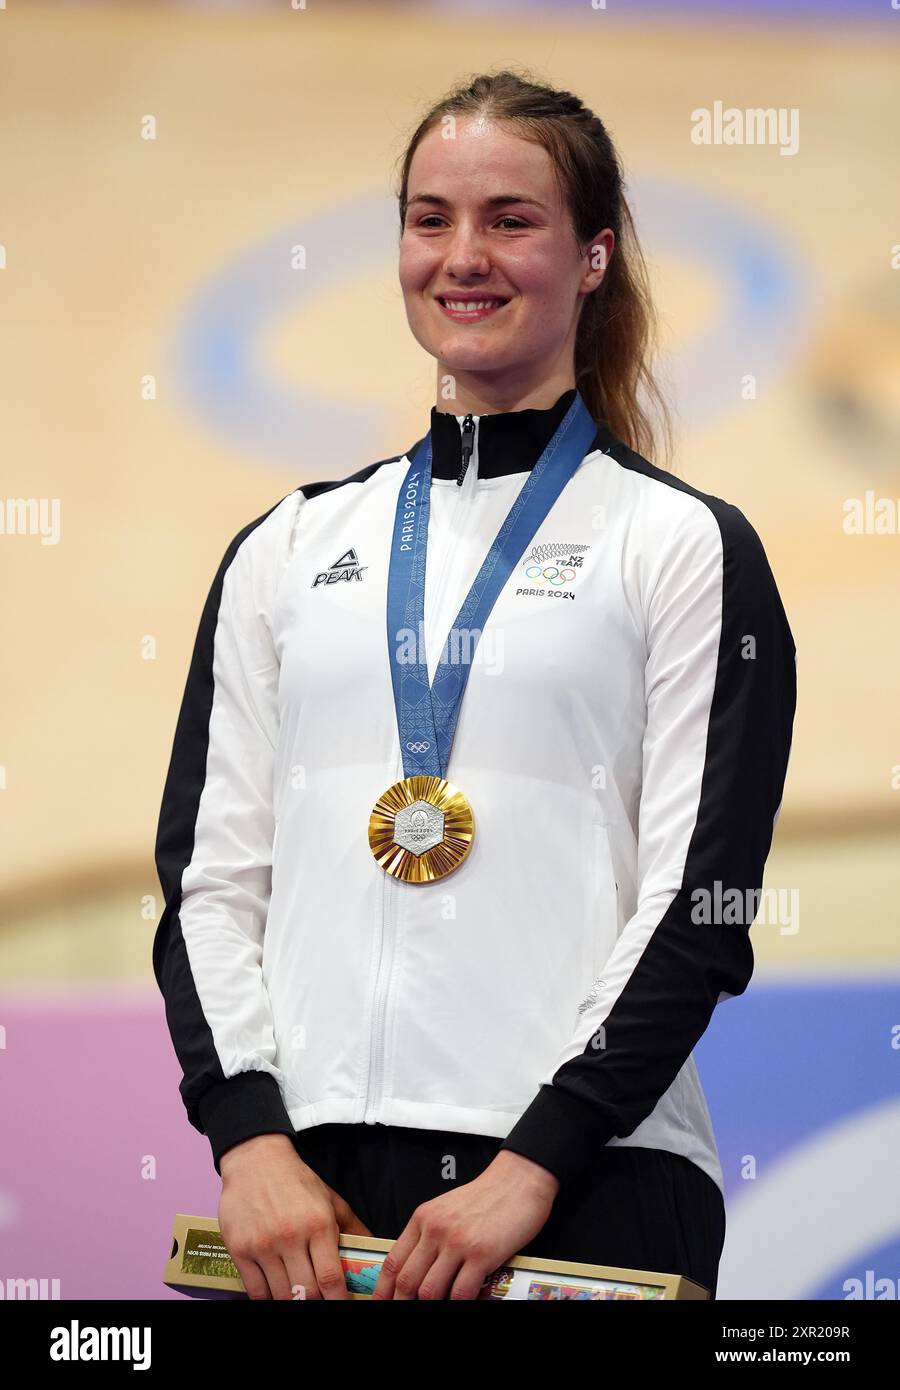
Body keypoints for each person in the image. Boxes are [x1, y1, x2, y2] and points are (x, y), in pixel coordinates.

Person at [153, 69, 797, 1303]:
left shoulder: (681, 546)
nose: (463, 256)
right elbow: (208, 884)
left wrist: (537, 1160)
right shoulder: (285, 549)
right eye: (429, 218)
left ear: (594, 254)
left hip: (591, 1182)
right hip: (312, 1201)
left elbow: (702, 898)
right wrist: (249, 1137)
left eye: (511, 219)